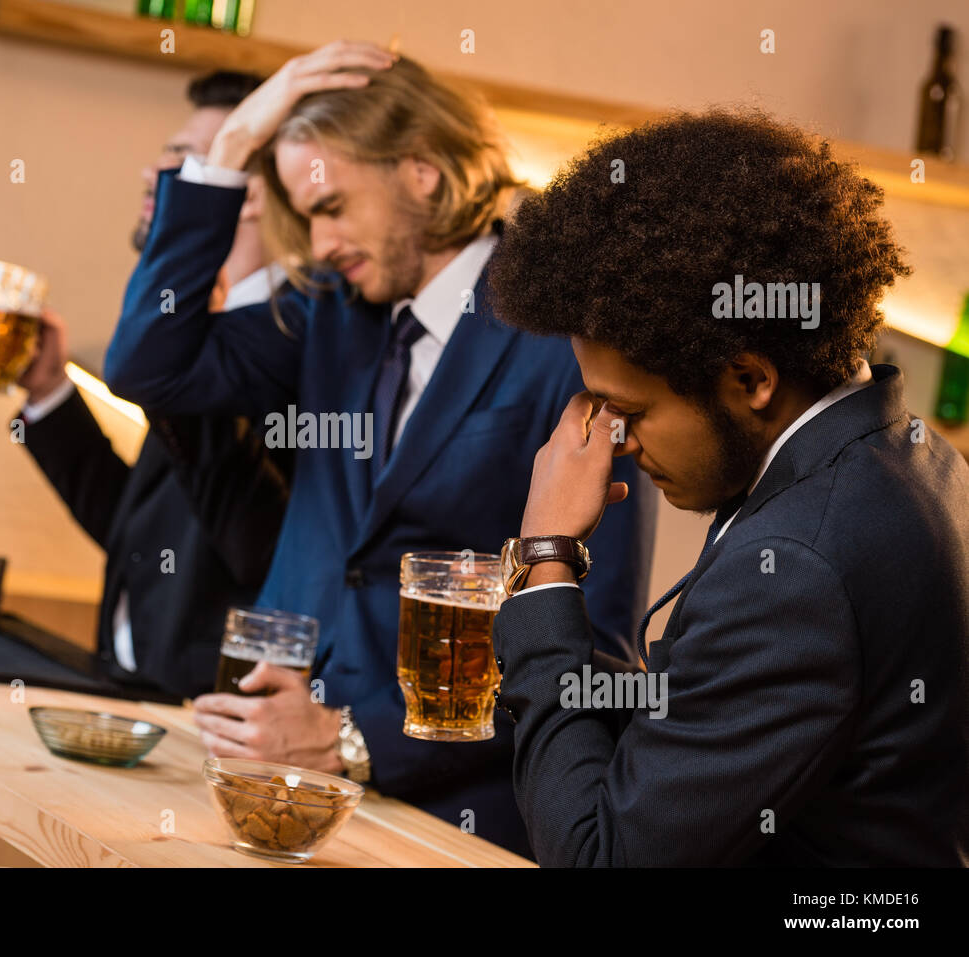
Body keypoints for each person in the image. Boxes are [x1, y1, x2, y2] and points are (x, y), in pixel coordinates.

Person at [104, 42, 656, 857]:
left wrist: (351, 739)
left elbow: (593, 651)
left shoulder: (562, 340)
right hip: (269, 788)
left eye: (330, 206)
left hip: (446, 819)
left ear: (420, 172)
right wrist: (228, 153)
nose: (318, 243)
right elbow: (149, 364)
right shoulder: (330, 307)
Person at [487, 108, 969, 866]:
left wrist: (544, 564)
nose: (614, 439)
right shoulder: (906, 450)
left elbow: (598, 859)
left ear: (751, 378)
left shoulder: (797, 561)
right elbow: (728, 704)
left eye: (632, 410)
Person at [13, 70, 291, 700]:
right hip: (126, 685)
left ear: (245, 191)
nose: (152, 174)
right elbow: (139, 528)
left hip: (215, 708)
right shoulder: (199, 338)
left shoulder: (285, 341)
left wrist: (182, 367)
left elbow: (260, 553)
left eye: (186, 160)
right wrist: (50, 395)